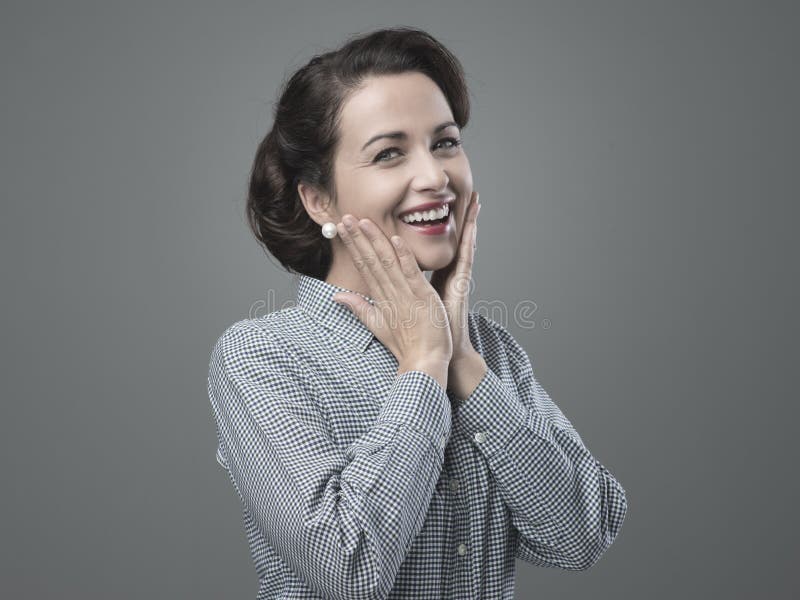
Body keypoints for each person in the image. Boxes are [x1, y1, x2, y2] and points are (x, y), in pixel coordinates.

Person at [207, 26, 627, 600]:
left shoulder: (490, 353)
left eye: (446, 142)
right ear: (319, 199)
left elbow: (583, 537)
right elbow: (349, 569)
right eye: (389, 153)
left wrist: (465, 367)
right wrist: (425, 365)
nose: (435, 178)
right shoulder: (263, 357)